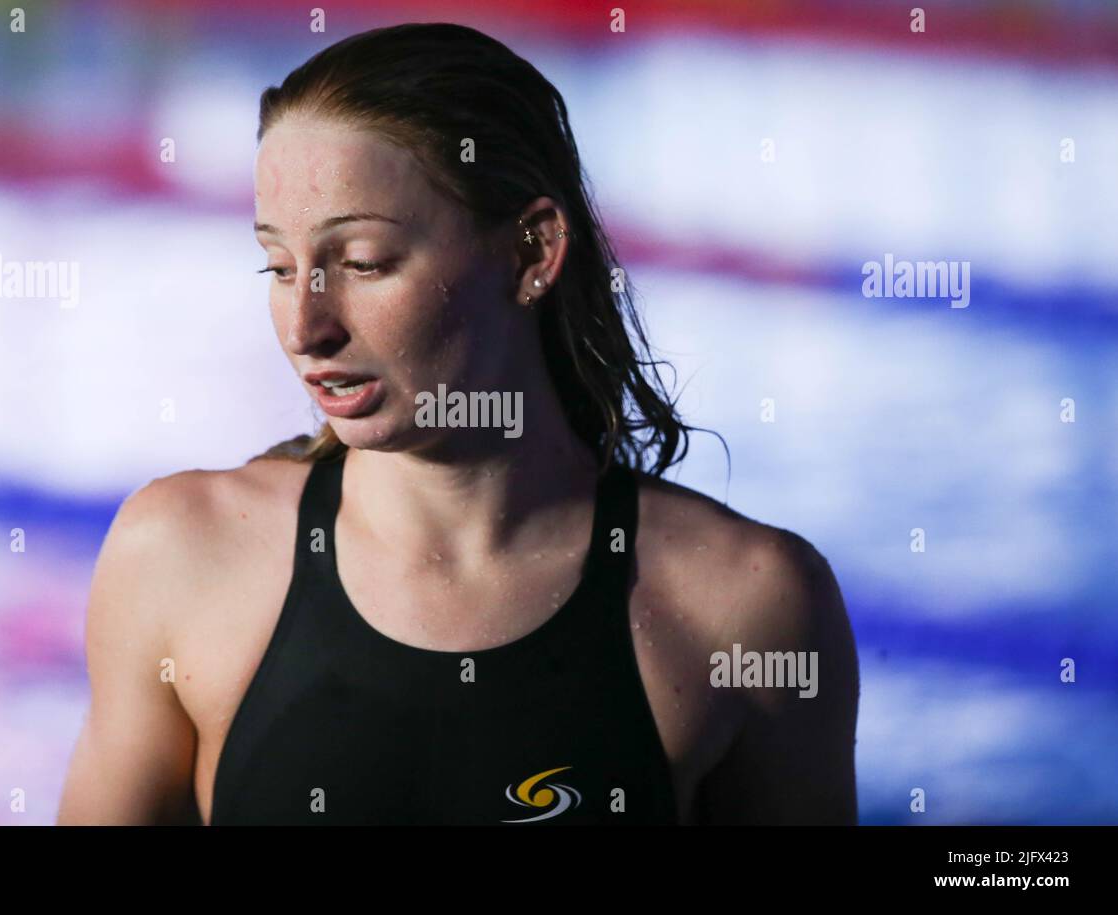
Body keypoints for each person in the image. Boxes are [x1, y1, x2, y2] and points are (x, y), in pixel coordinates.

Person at [56, 22, 859, 826]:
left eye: (364, 262)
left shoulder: (744, 606)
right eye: (280, 266)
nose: (306, 326)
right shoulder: (181, 558)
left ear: (532, 250)